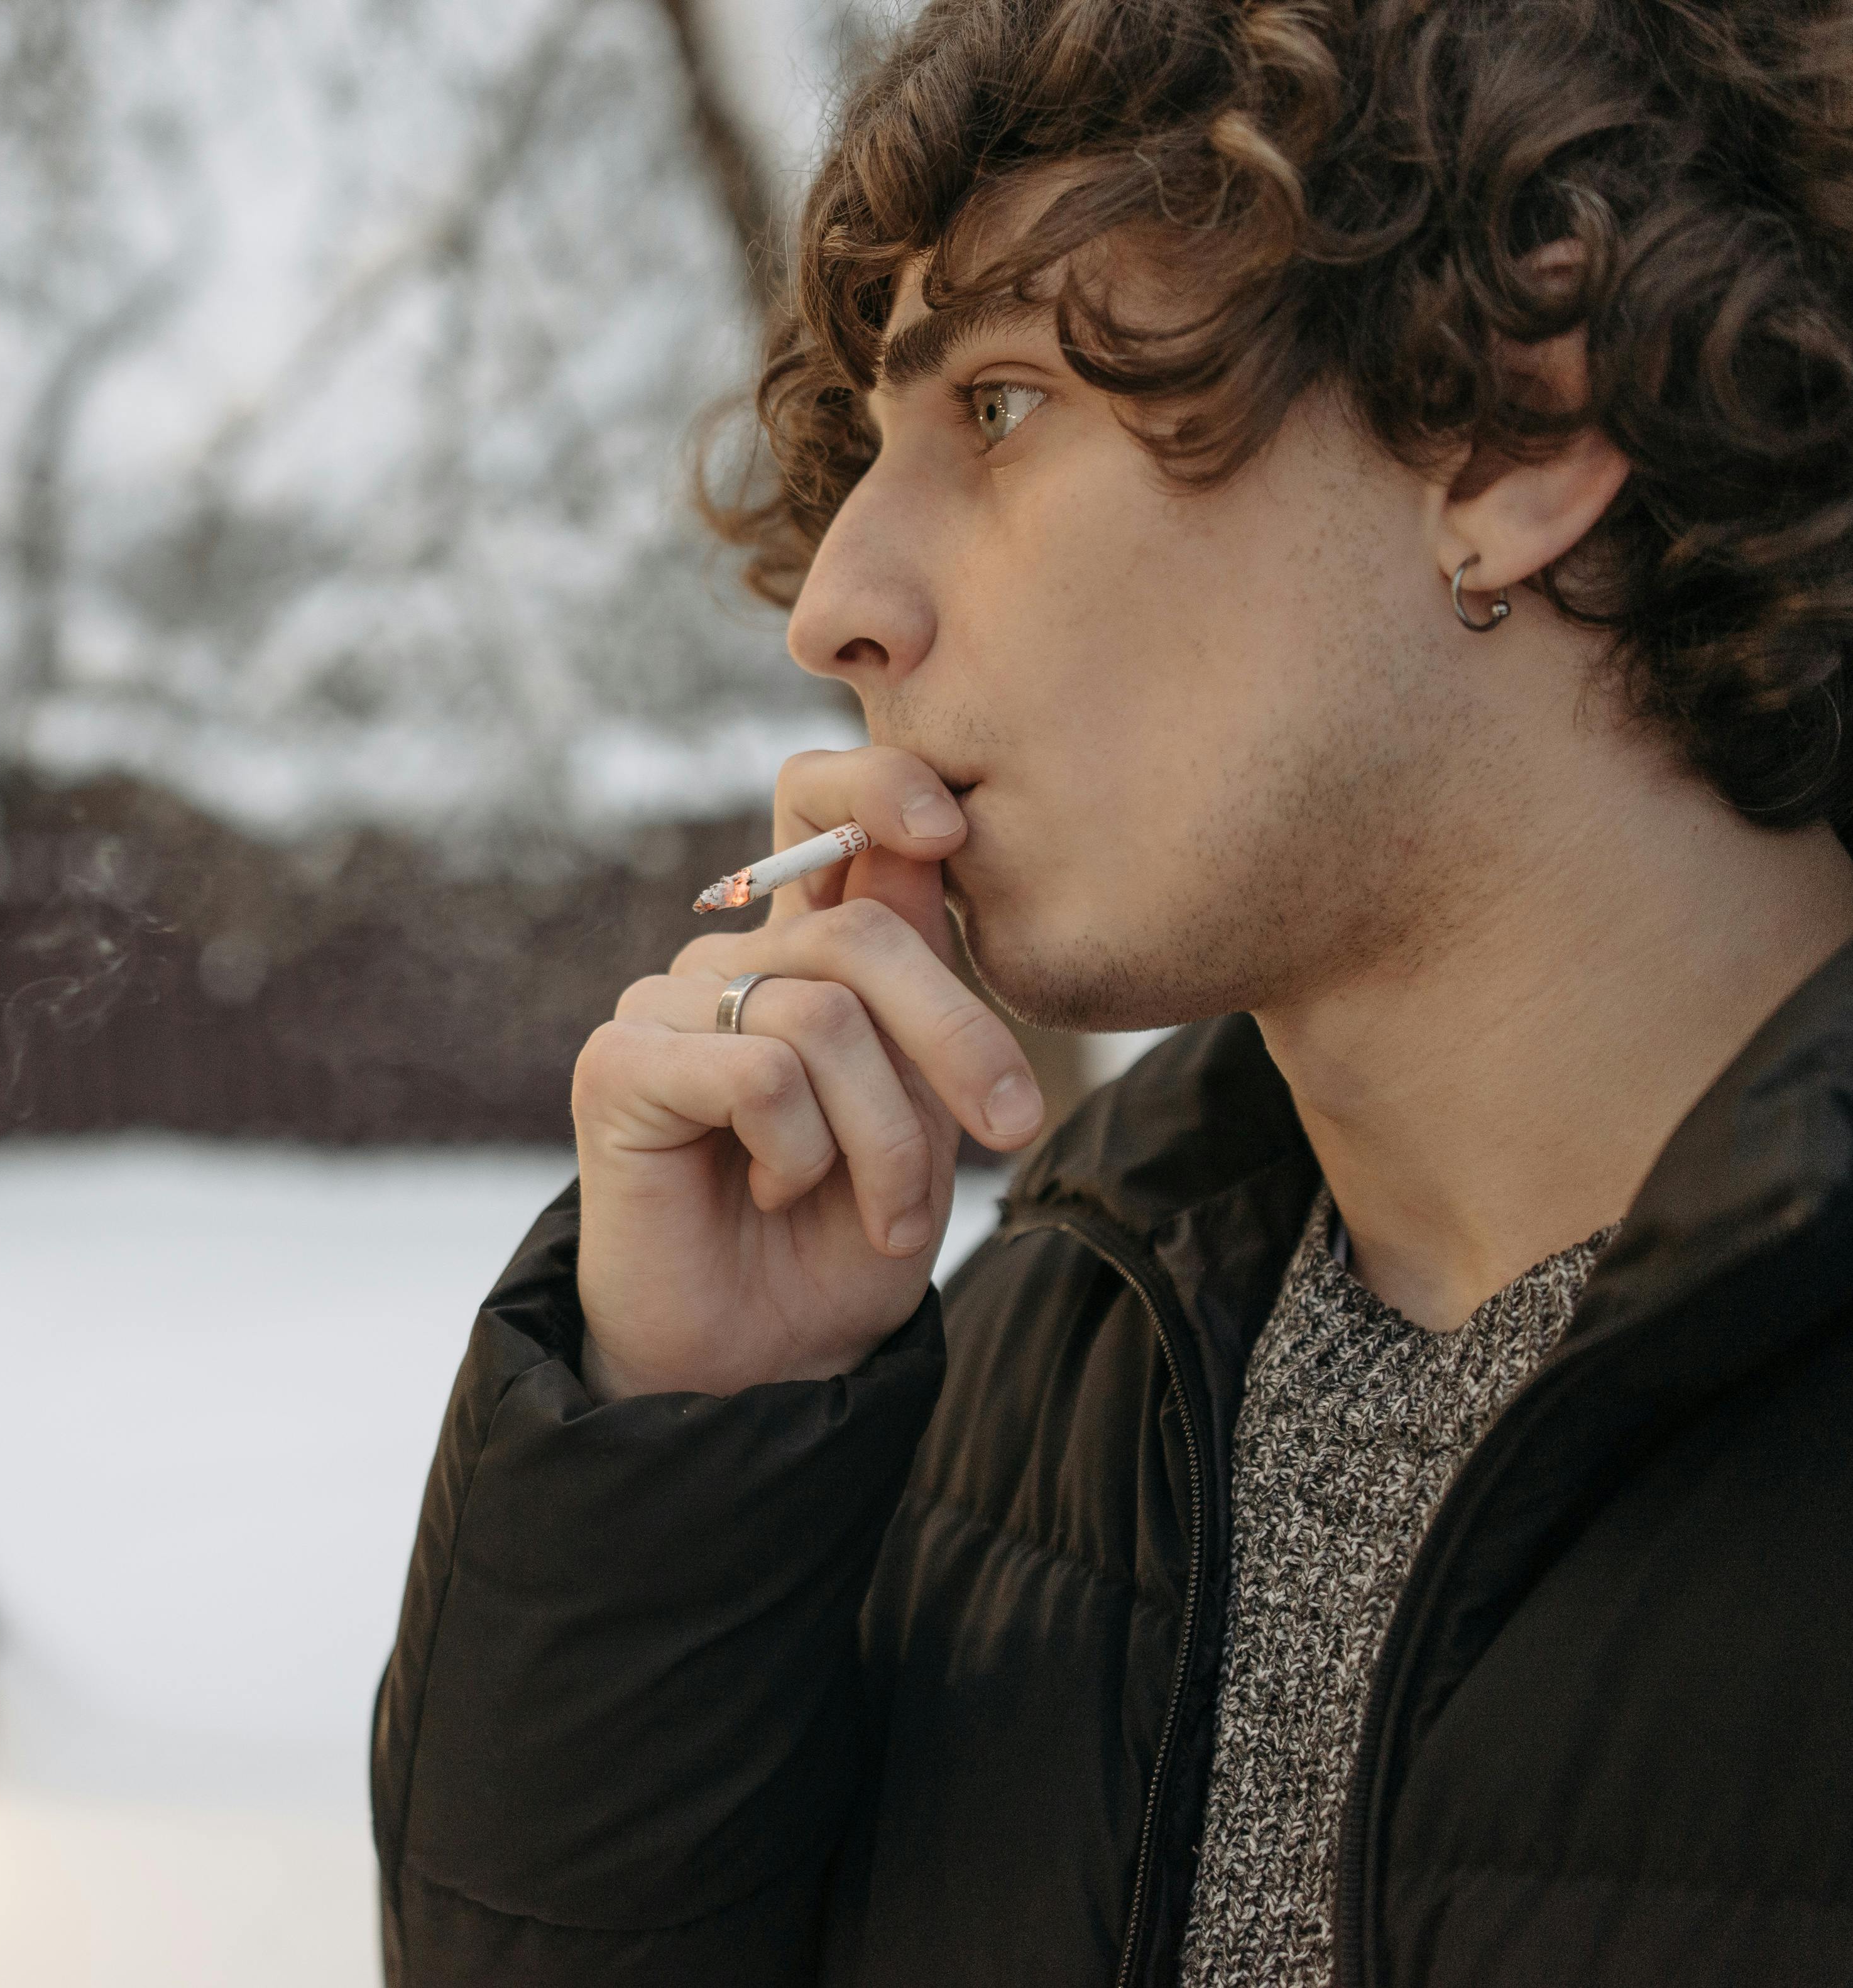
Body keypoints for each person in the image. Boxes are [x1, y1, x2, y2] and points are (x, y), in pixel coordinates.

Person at [371, 0, 1853, 1981]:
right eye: (865, 455)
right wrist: (681, 1467)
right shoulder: (1017, 1397)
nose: (832, 608)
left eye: (995, 406)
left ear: (1514, 419)